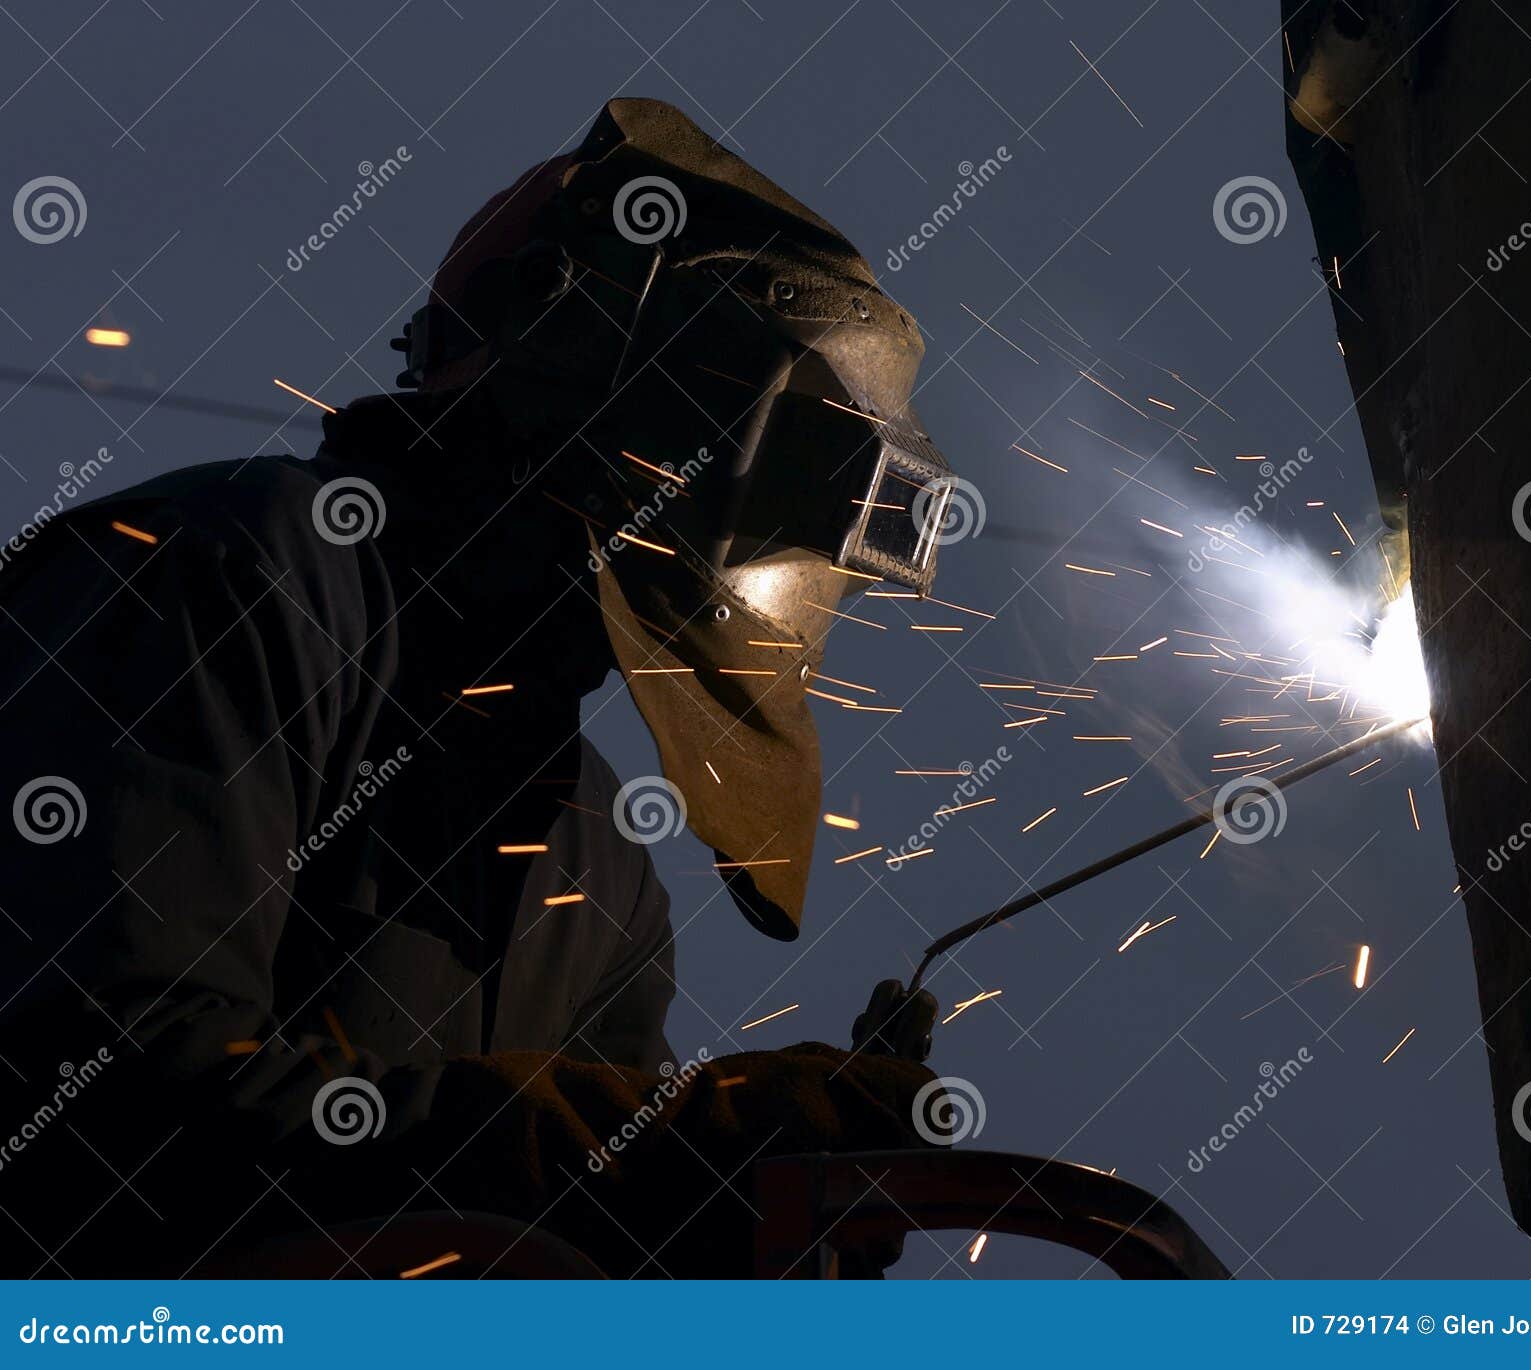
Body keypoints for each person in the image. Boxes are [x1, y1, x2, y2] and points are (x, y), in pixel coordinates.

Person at [0, 99, 956, 1278]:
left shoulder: (600, 868)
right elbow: (95, 1116)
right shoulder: (227, 577)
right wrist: (655, 1154)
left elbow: (575, 1276)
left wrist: (771, 1218)